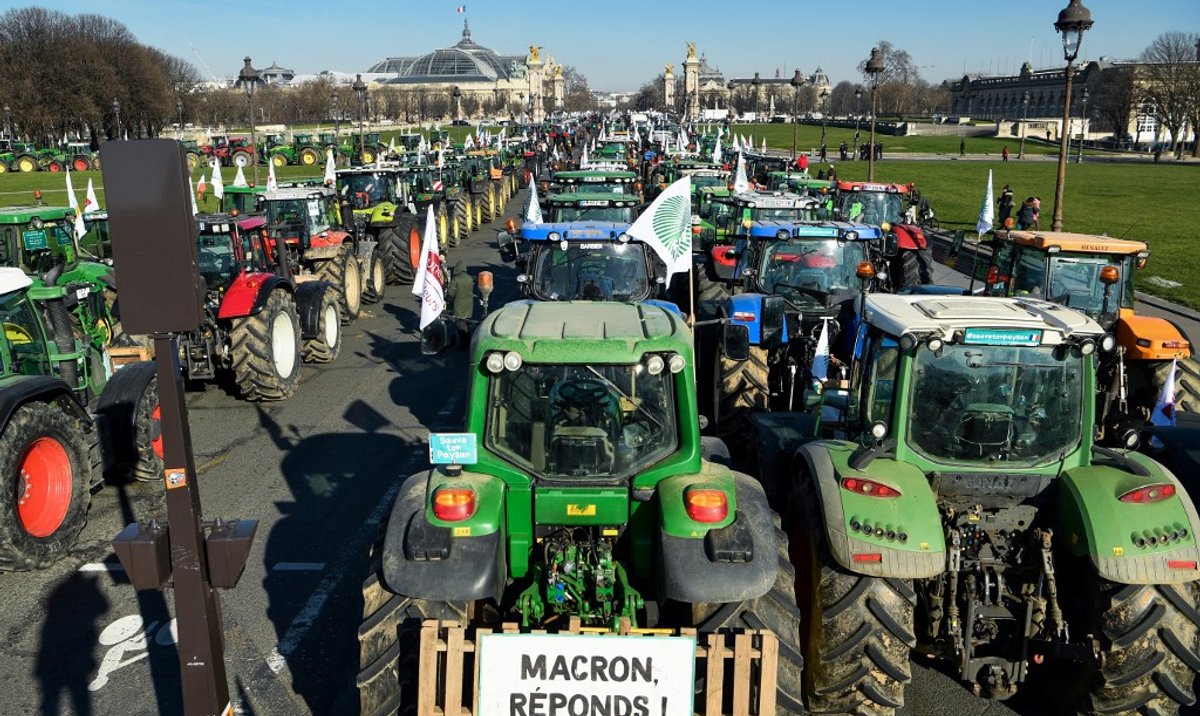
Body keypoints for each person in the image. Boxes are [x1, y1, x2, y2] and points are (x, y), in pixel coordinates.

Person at [447, 260, 475, 348]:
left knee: (460, 324)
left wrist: (449, 300)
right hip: (469, 305)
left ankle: (464, 344)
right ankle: (467, 341)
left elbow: (451, 293)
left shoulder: (455, 280)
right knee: (466, 322)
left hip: (458, 305)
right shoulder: (470, 278)